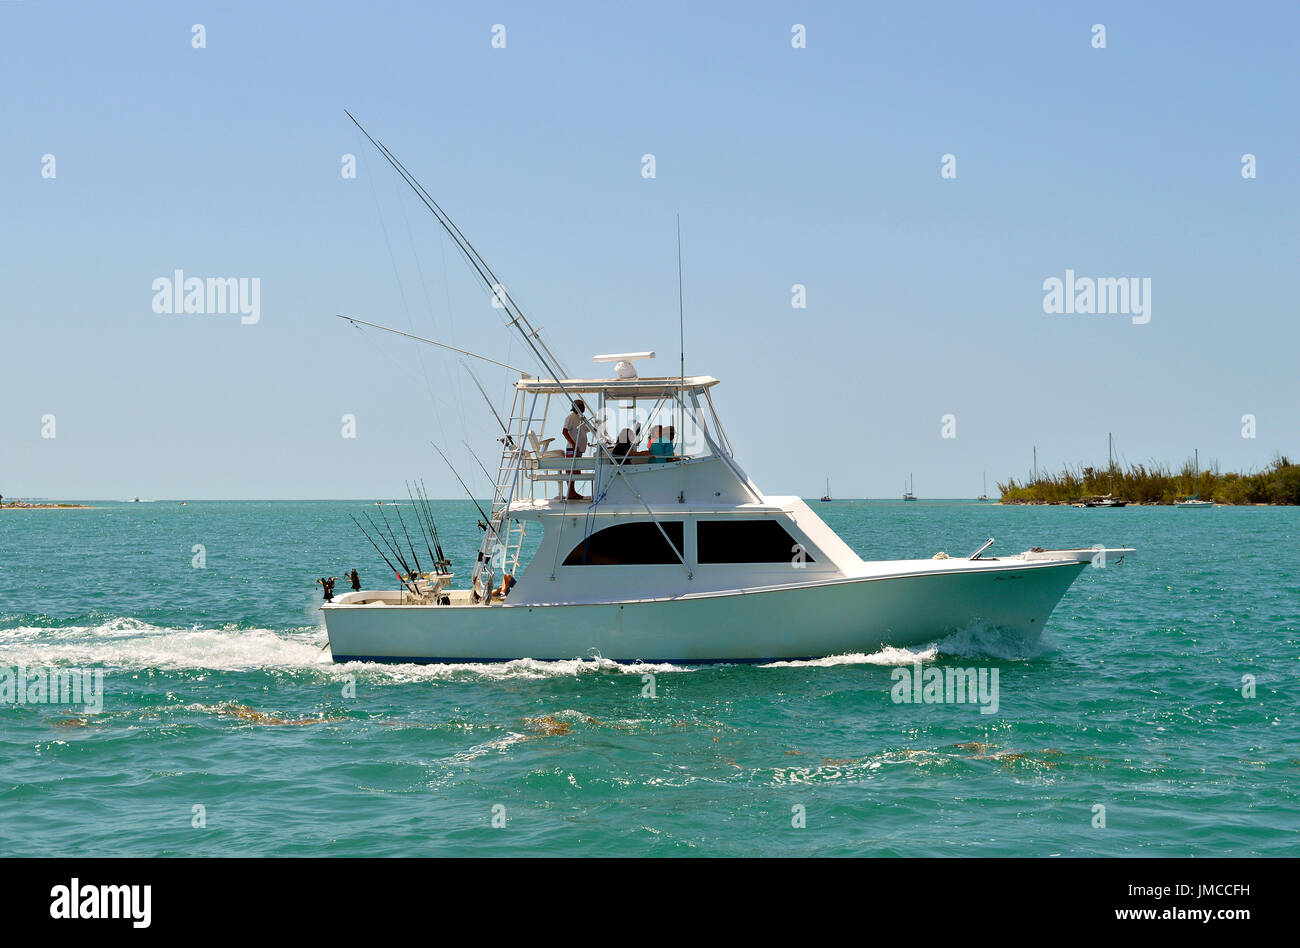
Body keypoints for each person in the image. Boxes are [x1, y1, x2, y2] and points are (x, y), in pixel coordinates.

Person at [562, 399, 588, 500]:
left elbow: (586, 429)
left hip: (578, 449)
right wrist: (573, 444)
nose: (584, 408)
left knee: (575, 472)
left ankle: (572, 492)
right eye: (582, 406)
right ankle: (570, 492)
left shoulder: (580, 418)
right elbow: (564, 431)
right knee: (571, 471)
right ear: (578, 407)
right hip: (572, 449)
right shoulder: (571, 417)